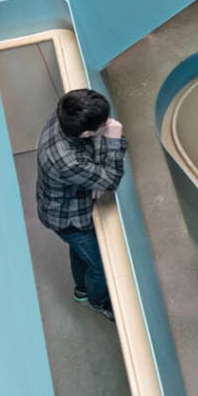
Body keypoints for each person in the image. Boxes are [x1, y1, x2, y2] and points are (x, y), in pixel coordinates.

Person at [35, 88, 128, 323]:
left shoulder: (63, 113)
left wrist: (94, 170)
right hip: (70, 218)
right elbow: (111, 179)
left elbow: (98, 171)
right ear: (86, 133)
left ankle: (82, 290)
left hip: (58, 206)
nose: (111, 123)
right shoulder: (67, 160)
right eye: (104, 123)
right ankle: (99, 301)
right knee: (102, 267)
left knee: (81, 254)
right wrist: (114, 139)